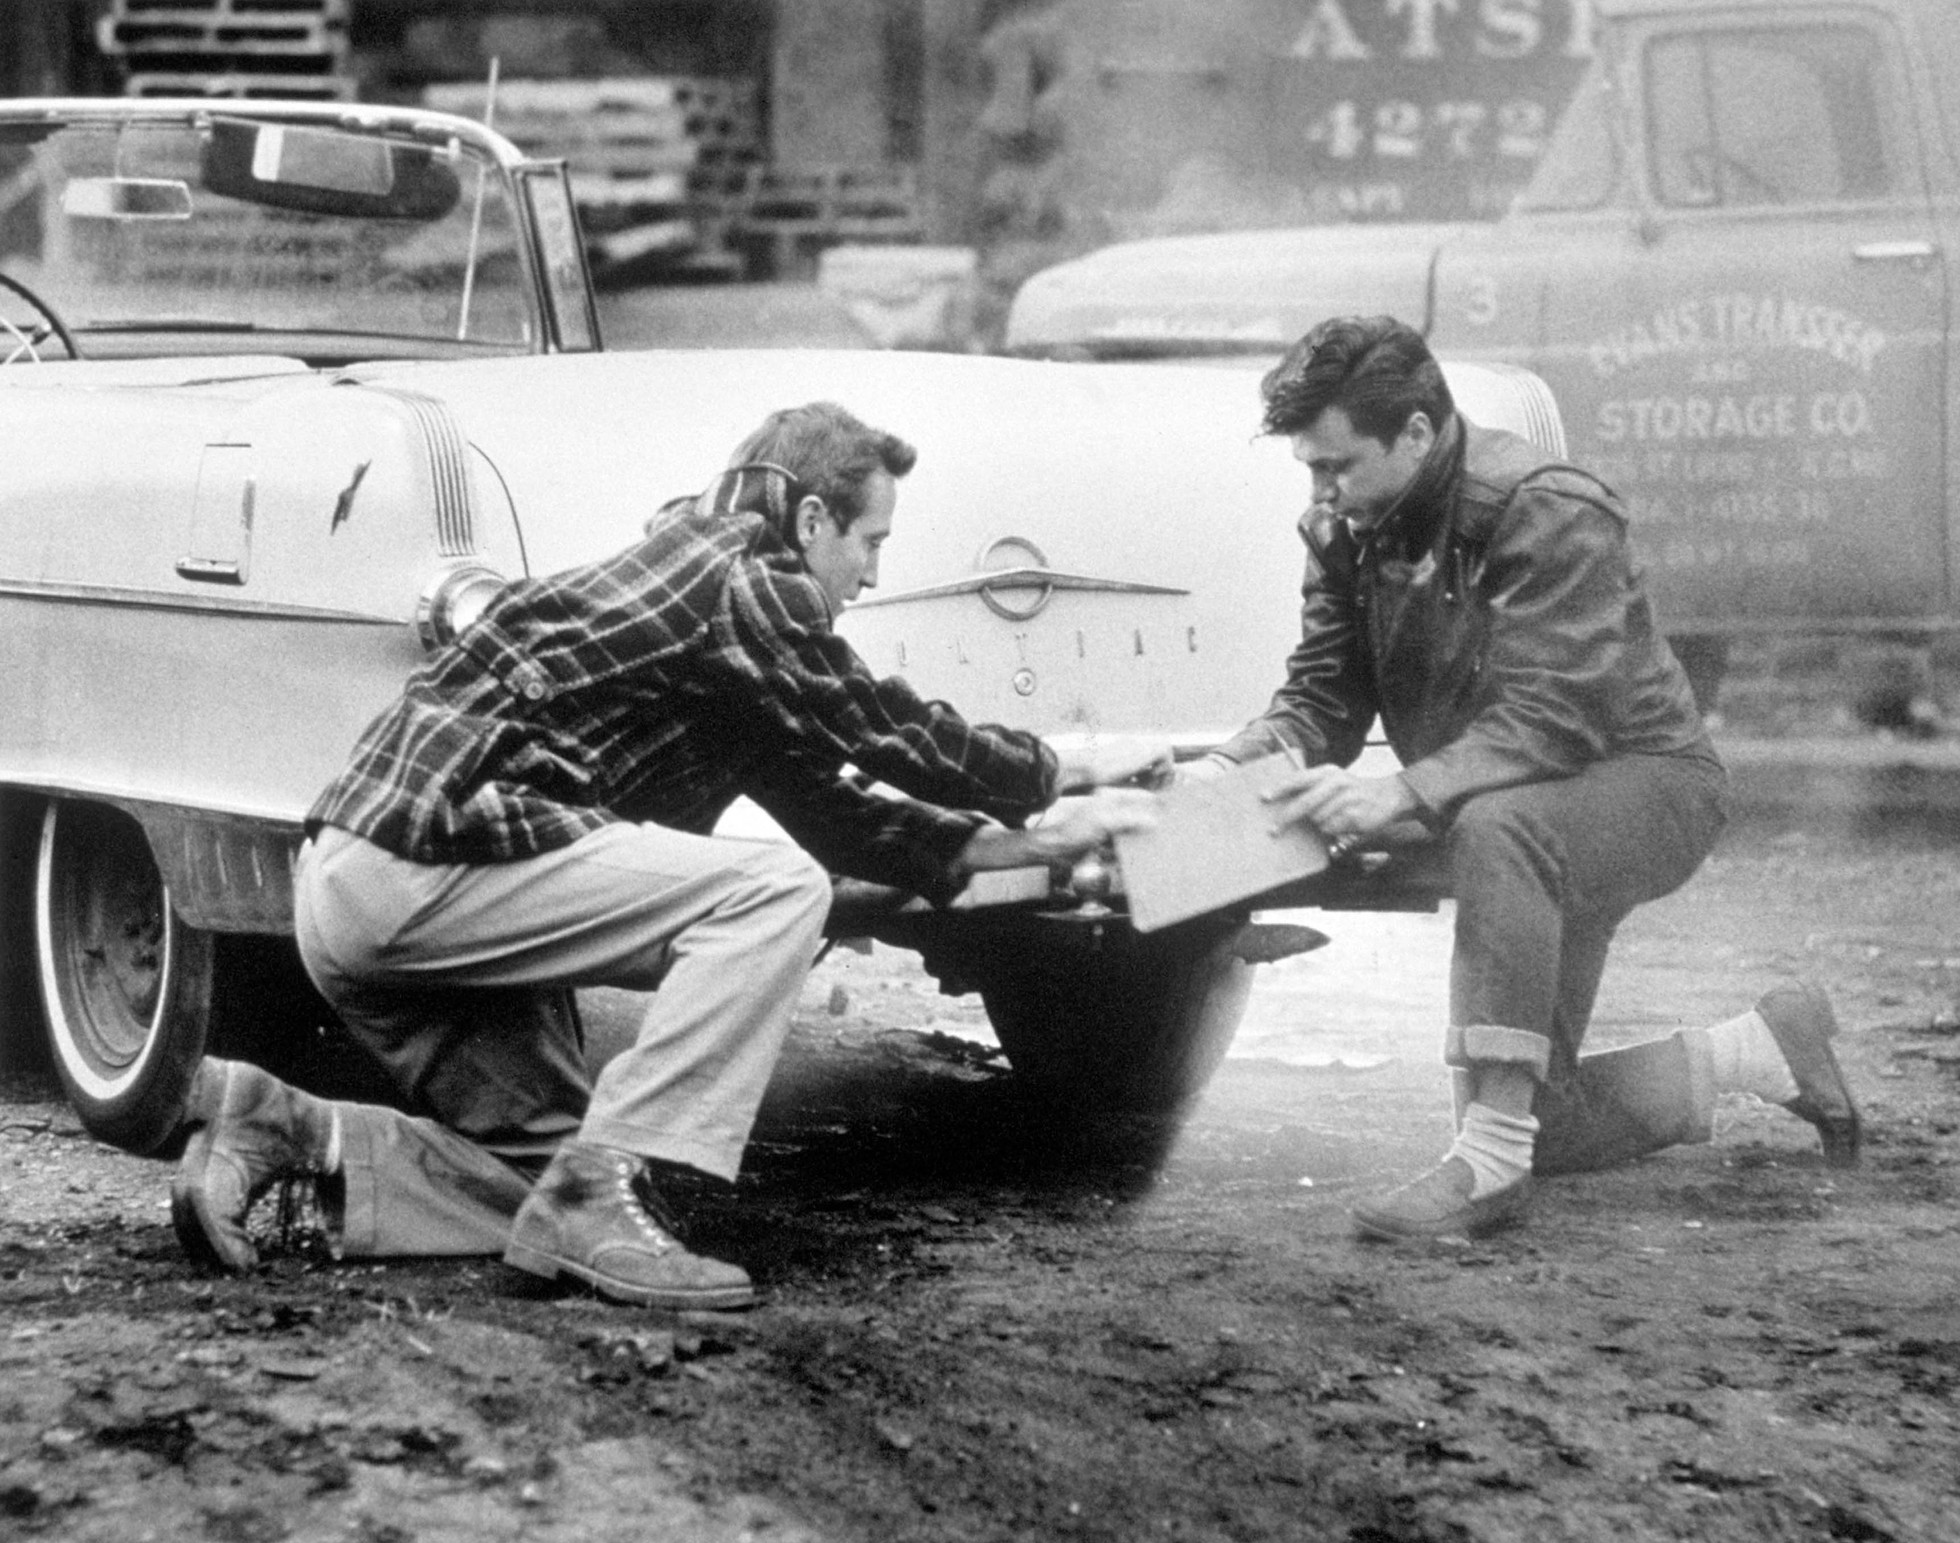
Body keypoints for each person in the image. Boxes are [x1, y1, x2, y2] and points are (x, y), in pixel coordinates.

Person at [171, 401, 1159, 1307]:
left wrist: (1035, 843)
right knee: (775, 893)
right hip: (419, 867)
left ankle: (282, 1125)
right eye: (869, 542)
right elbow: (878, 727)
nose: (872, 575)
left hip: (360, 893)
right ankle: (601, 1195)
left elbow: (849, 813)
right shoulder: (742, 574)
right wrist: (1051, 771)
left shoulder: (708, 610)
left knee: (535, 1183)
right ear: (811, 519)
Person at [1189, 316, 1860, 1242]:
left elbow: (1556, 717)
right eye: (1310, 469)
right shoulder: (1348, 527)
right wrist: (1223, 771)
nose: (1322, 492)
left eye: (1336, 465)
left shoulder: (1544, 506)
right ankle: (1757, 1049)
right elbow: (1321, 703)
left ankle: (1488, 1171)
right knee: (1546, 1115)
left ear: (1417, 435)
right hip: (1512, 799)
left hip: (1644, 784)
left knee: (1499, 832)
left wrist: (1407, 791)